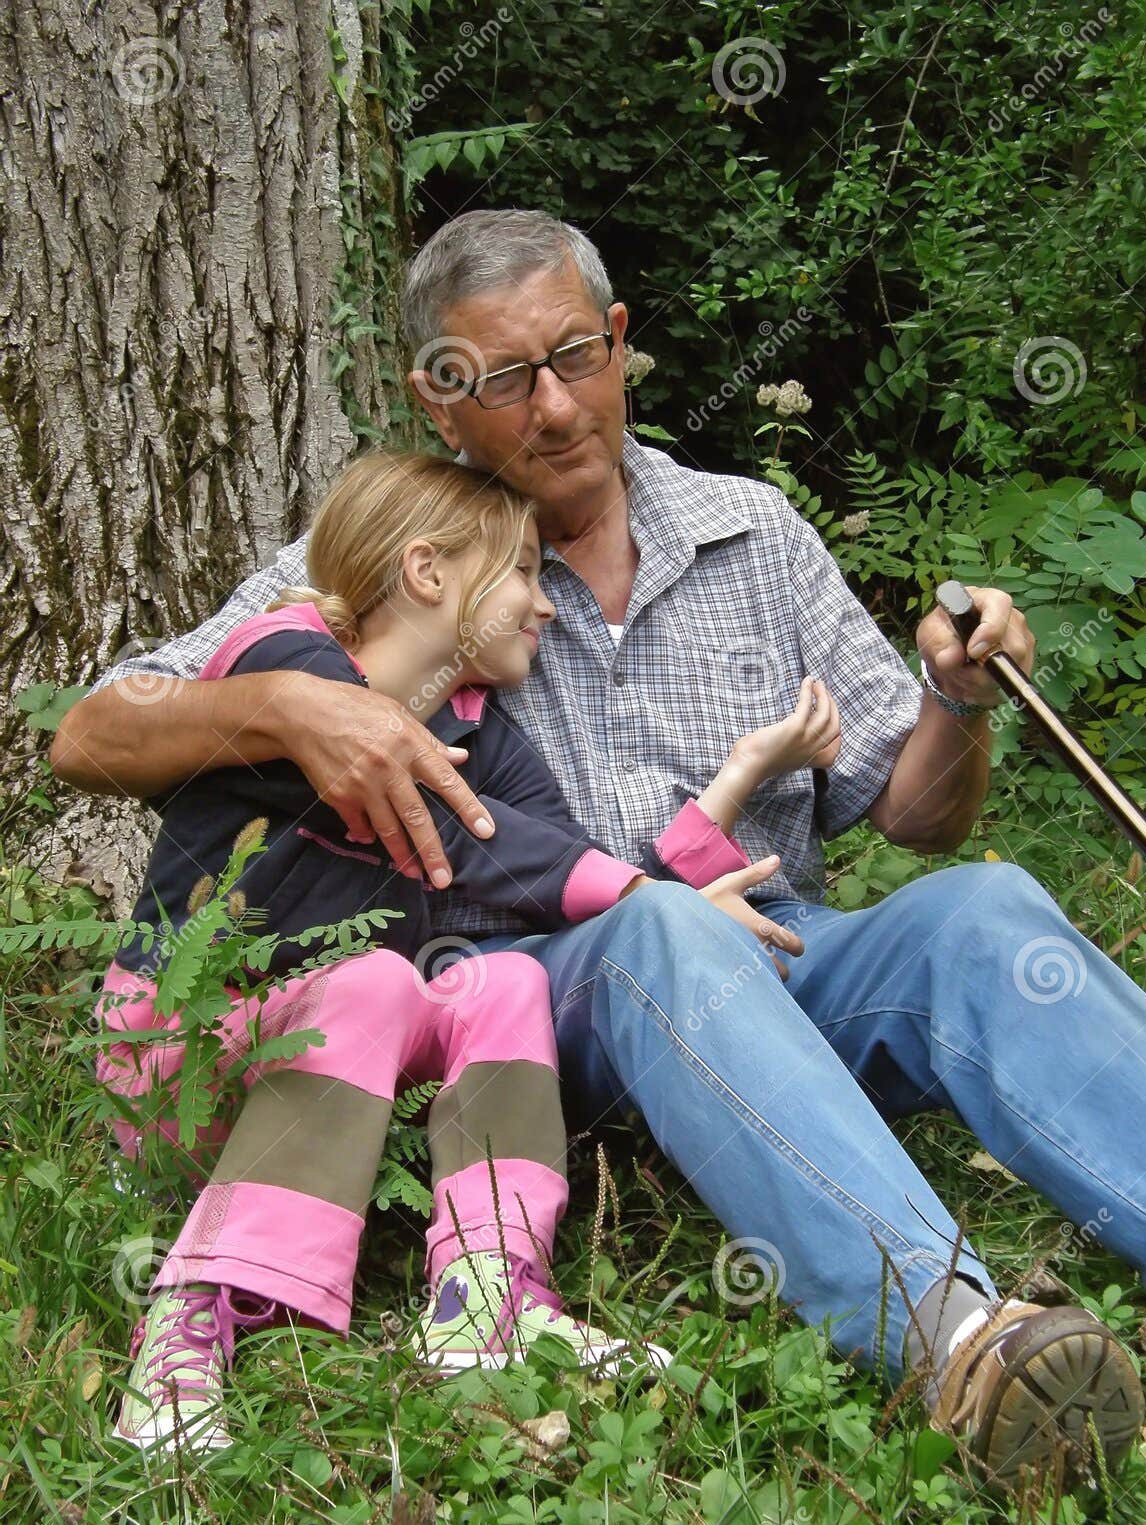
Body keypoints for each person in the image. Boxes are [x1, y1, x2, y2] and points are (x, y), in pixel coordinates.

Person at [57, 209, 1146, 1491]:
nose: (551, 408)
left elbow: (918, 816)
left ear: (617, 343)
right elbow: (93, 732)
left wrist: (959, 697)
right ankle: (959, 1345)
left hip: (780, 954)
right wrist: (285, 701)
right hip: (531, 1002)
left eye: (572, 359)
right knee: (656, 925)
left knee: (981, 911)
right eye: (500, 380)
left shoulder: (754, 533)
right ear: (441, 406)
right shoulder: (404, 555)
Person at [98, 448, 840, 1454]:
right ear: (428, 572)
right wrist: (632, 888)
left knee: (504, 975)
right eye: (526, 571)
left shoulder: (484, 740)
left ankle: (489, 1297)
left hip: (333, 1055)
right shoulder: (287, 659)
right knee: (366, 981)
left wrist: (706, 836)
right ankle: (192, 1317)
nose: (547, 604)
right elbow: (469, 837)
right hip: (175, 1062)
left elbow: (557, 870)